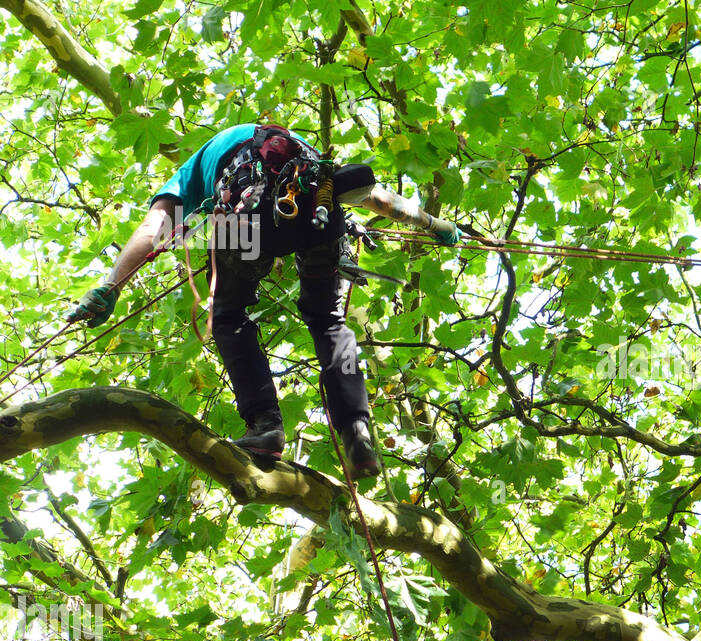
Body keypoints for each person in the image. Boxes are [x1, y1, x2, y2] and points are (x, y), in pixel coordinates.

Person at [64, 122, 460, 479]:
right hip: (317, 216)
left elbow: (156, 229)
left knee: (228, 316)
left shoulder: (197, 167)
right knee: (328, 319)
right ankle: (357, 430)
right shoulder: (302, 155)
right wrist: (433, 224)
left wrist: (111, 285)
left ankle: (266, 425)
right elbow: (376, 199)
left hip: (244, 222)